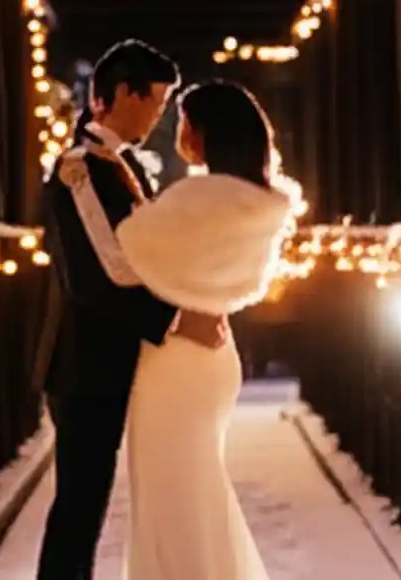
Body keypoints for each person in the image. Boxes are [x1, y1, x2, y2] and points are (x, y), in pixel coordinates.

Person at [36, 40, 228, 579]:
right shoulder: (82, 168)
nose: (160, 115)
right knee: (80, 504)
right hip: (85, 363)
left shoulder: (119, 166)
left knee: (87, 502)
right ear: (123, 93)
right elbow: (104, 271)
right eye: (156, 101)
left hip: (109, 359)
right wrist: (176, 320)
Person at [116, 81, 294, 580]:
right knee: (198, 490)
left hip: (172, 359)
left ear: (203, 132)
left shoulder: (197, 197)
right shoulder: (261, 203)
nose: (178, 131)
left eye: (184, 121)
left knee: (167, 498)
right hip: (215, 357)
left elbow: (130, 252)